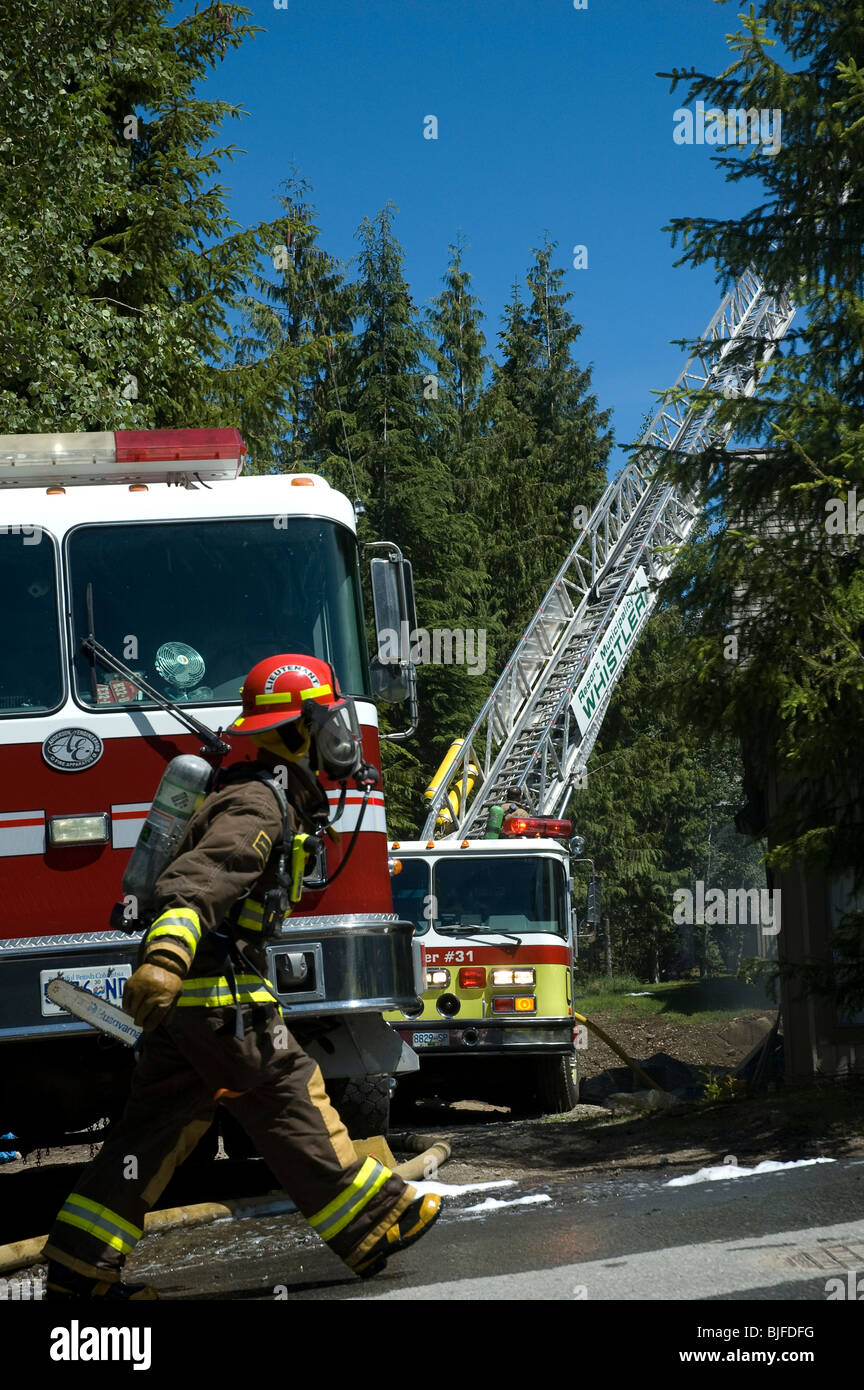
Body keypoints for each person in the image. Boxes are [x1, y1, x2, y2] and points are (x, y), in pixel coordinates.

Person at [43, 654, 441, 1299]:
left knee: (154, 1132)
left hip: (194, 1008)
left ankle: (80, 1267)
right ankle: (373, 1219)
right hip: (218, 996)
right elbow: (204, 875)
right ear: (295, 731)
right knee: (287, 1095)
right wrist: (168, 956)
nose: (337, 740)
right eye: (325, 724)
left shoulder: (255, 791)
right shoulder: (257, 803)